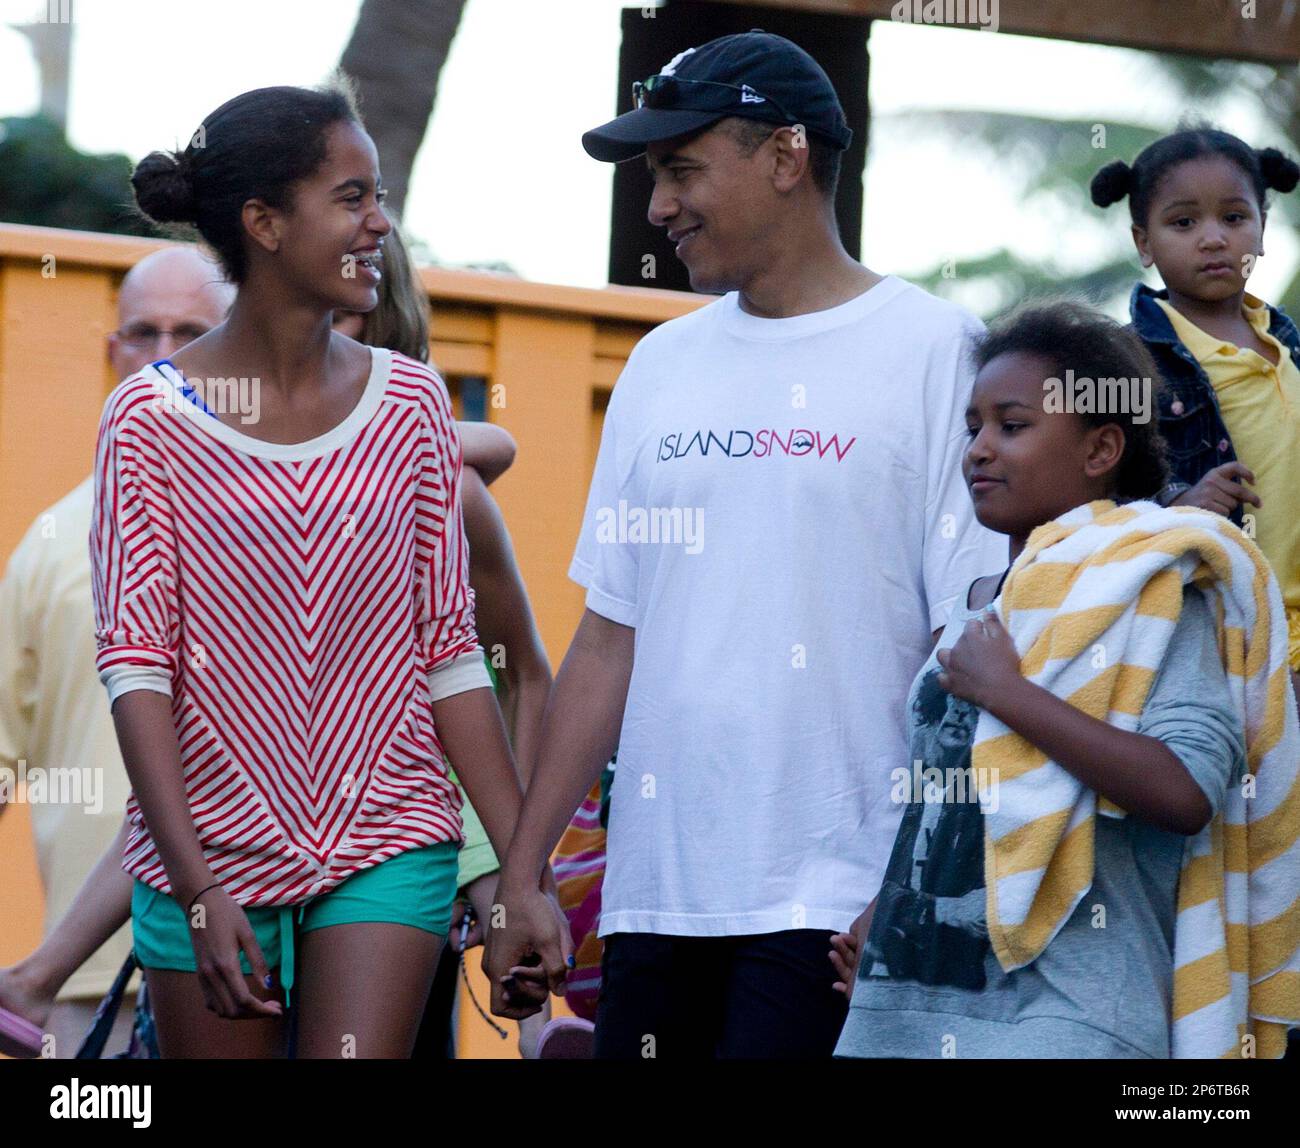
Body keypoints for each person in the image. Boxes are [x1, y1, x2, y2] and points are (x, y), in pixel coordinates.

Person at [485, 31, 1003, 1058]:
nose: (658, 207)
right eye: (654, 178)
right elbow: (605, 638)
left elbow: (969, 655)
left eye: (681, 170)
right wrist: (522, 874)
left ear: (784, 156)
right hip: (654, 898)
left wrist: (904, 890)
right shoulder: (659, 364)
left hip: (837, 904)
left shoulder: (940, 349)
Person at [91, 80, 563, 1059]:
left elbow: (451, 655)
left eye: (378, 196)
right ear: (263, 222)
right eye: (352, 198)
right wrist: (196, 882)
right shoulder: (150, 419)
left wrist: (522, 879)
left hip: (390, 833)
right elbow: (137, 667)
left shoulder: (412, 406)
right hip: (207, 850)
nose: (379, 224)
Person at [831, 302, 1298, 1059]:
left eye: (1011, 426)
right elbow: (956, 800)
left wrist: (1010, 693)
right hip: (907, 1024)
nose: (979, 450)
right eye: (972, 427)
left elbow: (1183, 791)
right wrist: (891, 922)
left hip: (1063, 1027)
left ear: (1100, 448)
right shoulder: (974, 605)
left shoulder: (1149, 589)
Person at [0, 246, 234, 1058]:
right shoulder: (50, 541)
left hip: (247, 952)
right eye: (144, 333)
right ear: (113, 350)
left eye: (192, 333)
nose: (164, 358)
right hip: (82, 985)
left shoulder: (291, 508)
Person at [1091, 127, 1300, 699]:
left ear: (1263, 226)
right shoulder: (1129, 360)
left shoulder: (1290, 350)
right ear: (1144, 242)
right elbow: (1089, 500)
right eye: (1184, 223)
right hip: (1221, 631)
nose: (1213, 239)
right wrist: (1173, 505)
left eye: (1234, 218)